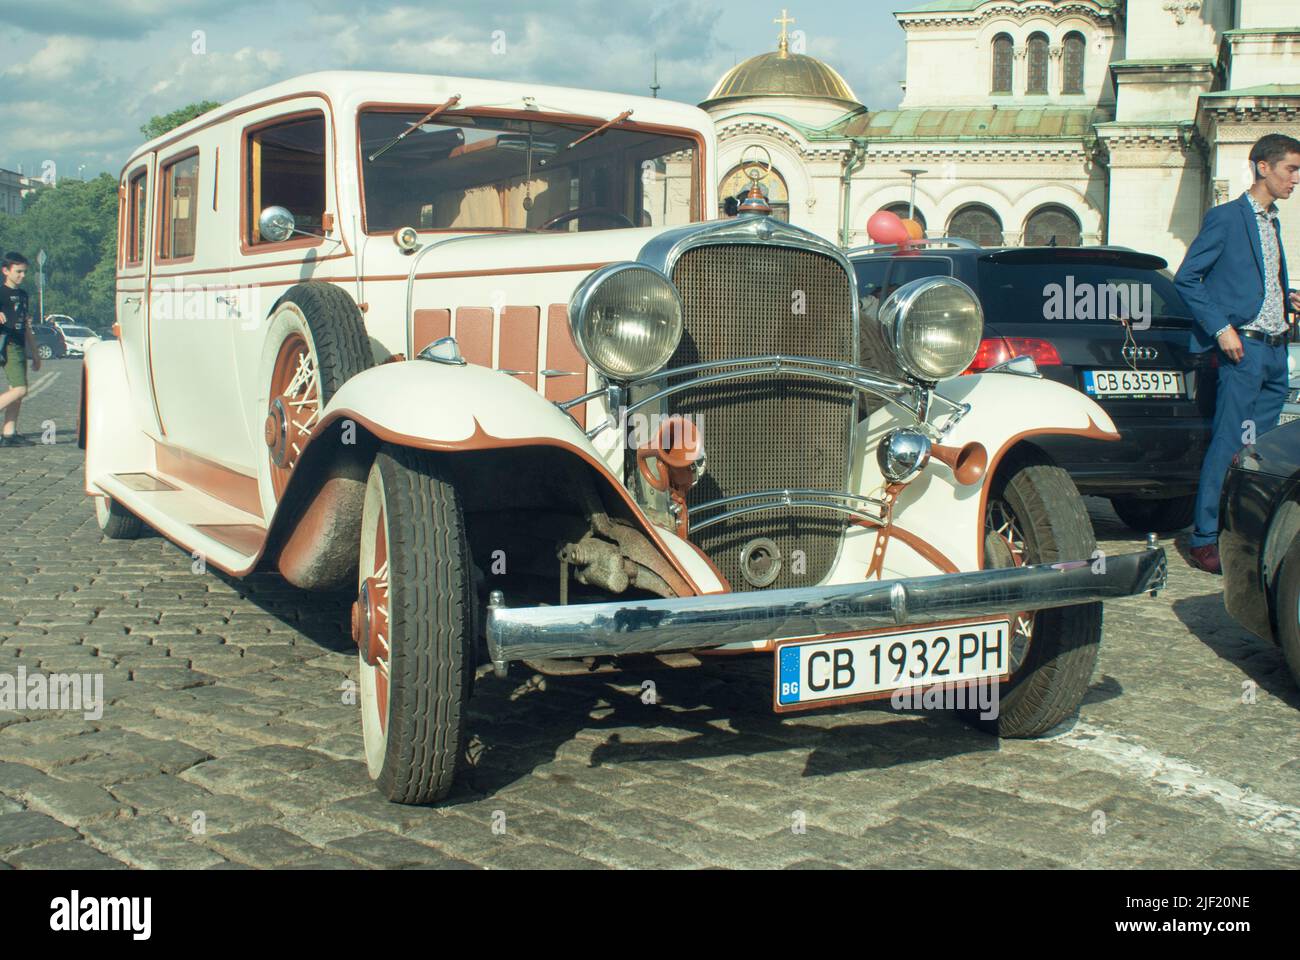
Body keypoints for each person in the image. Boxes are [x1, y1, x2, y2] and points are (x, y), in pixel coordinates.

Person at [1174, 134, 1300, 573]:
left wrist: (1287, 300)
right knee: (1231, 443)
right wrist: (1222, 329)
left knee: (1260, 452)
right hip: (1242, 349)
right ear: (1264, 167)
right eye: (1291, 169)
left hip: (1275, 349)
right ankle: (1205, 538)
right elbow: (1187, 278)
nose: (1295, 179)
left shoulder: (1273, 223)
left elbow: (1257, 281)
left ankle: (1245, 536)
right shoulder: (1227, 218)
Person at [0, 252, 42, 446]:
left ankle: (9, 433)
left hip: (19, 345)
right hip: (6, 344)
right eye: (18, 272)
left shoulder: (23, 295)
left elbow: (25, 325)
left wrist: (34, 352)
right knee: (20, 389)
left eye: (24, 272)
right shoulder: (1, 293)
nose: (22, 275)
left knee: (15, 392)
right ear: (5, 271)